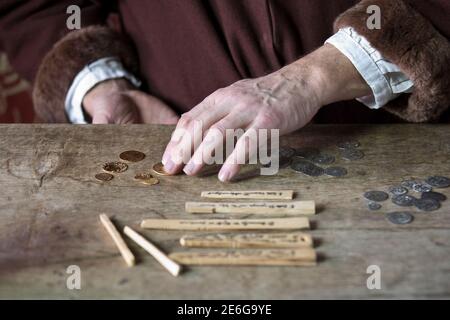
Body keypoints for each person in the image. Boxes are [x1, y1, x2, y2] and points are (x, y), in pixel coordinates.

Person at [1, 0, 449, 181]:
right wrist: (100, 84)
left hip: (390, 147)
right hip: (174, 151)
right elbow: (36, 8)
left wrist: (317, 76)